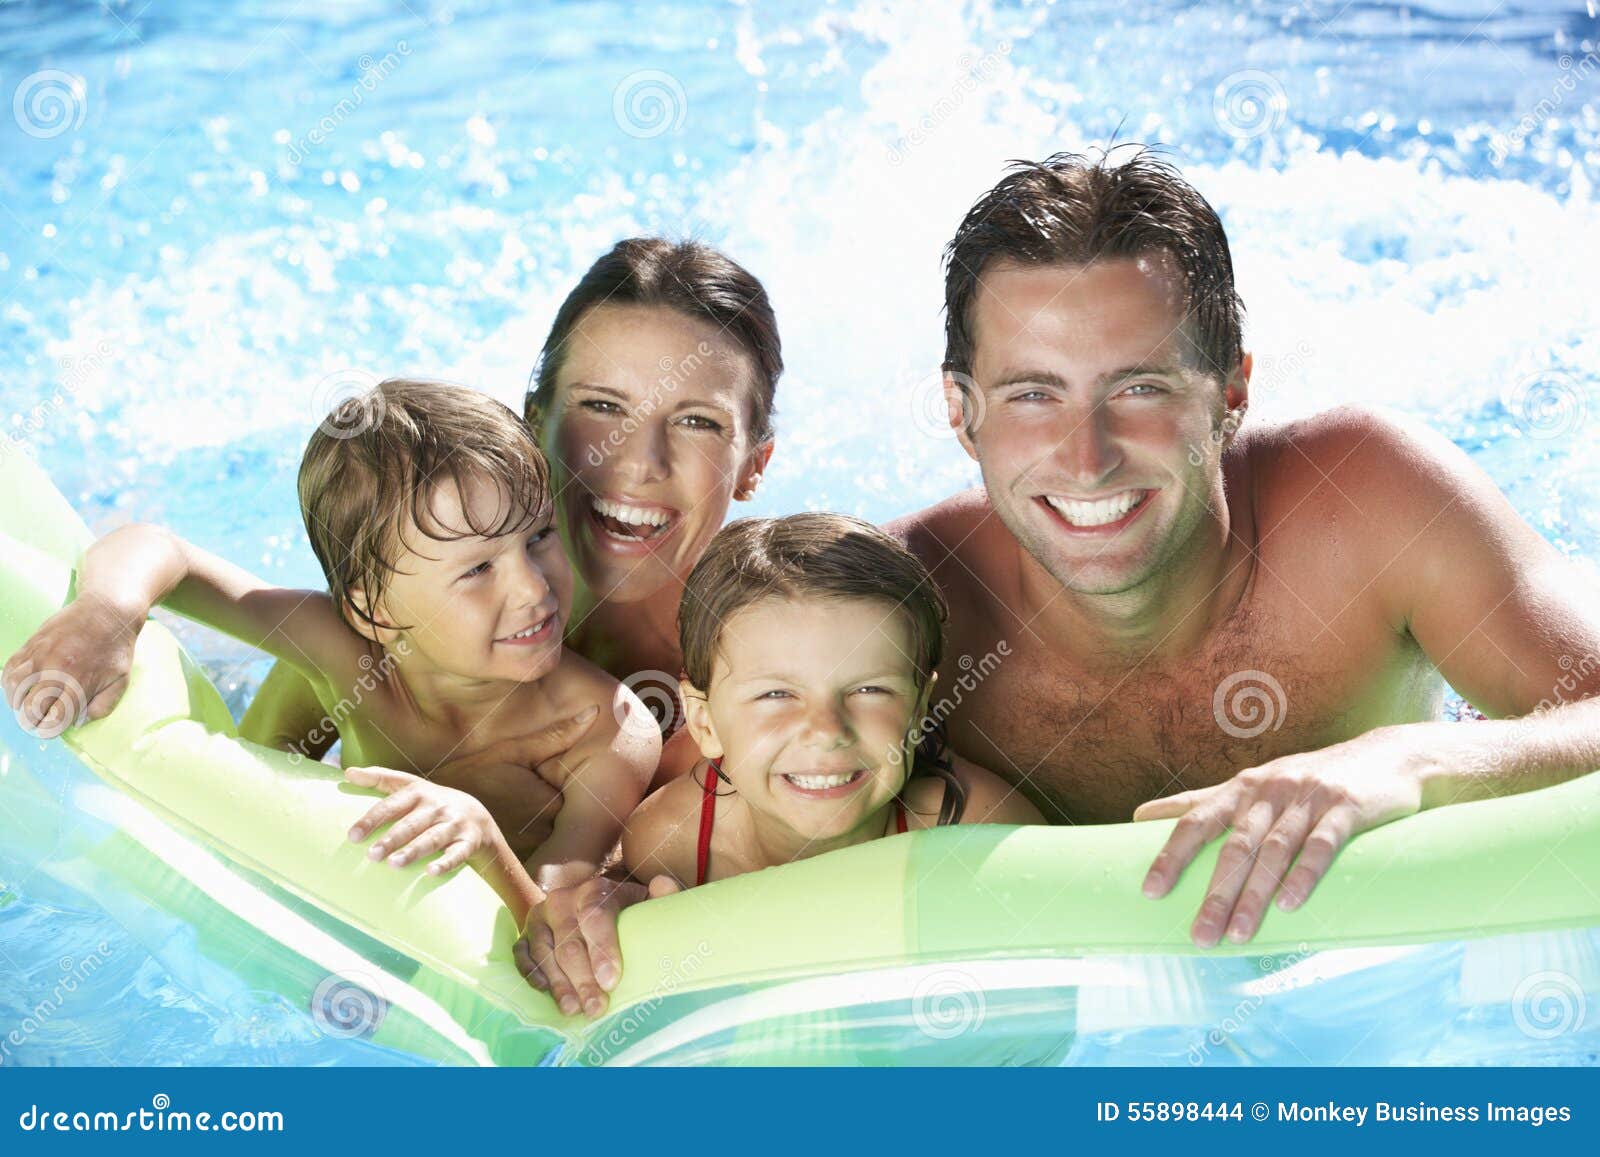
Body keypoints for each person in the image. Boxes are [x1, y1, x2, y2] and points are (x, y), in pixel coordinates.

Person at [885, 147, 1600, 946]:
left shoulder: (1369, 504)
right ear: (960, 410)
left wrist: (1411, 760)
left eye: (1140, 387)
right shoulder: (900, 612)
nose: (1087, 458)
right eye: (1032, 394)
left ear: (1231, 394)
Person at [1, 378, 659, 906]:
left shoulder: (604, 729)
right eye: (478, 569)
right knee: (284, 669)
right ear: (372, 610)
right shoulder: (351, 649)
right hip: (301, 725)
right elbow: (159, 549)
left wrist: (485, 837)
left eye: (538, 537)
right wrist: (106, 615)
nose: (532, 589)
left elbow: (554, 922)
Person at [239, 238, 782, 843]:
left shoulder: (762, 694)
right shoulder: (411, 608)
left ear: (753, 466)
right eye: (602, 405)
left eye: (697, 422)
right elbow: (246, 789)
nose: (638, 462)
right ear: (530, 424)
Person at [515, 513, 1042, 1015]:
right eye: (775, 694)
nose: (825, 729)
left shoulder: (976, 829)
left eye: (869, 689)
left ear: (920, 709)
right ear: (705, 723)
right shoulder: (675, 839)